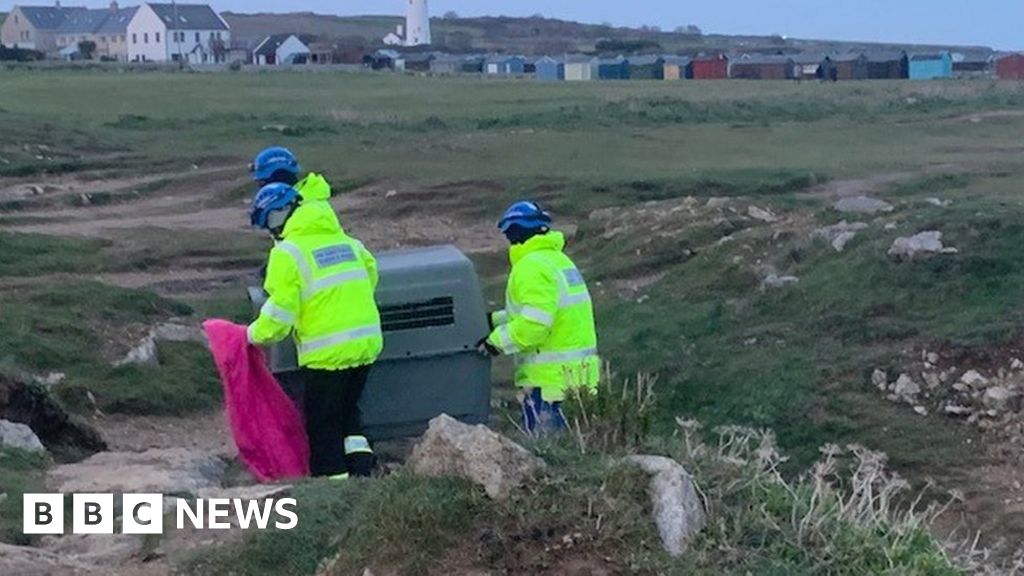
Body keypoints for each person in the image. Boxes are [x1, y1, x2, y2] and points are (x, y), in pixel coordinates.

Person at [247, 181, 383, 479]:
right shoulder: (346, 241)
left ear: (285, 212)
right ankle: (362, 474)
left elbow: (280, 312)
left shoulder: (287, 253)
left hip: (327, 352)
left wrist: (253, 335)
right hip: (367, 344)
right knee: (349, 414)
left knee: (323, 424)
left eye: (270, 220)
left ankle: (333, 487)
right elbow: (370, 274)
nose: (270, 229)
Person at [478, 201, 600, 434]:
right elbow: (547, 312)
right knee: (580, 447)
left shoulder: (531, 267)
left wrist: (495, 342)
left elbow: (535, 325)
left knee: (548, 450)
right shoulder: (558, 261)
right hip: (580, 380)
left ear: (514, 233)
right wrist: (494, 320)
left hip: (550, 384)